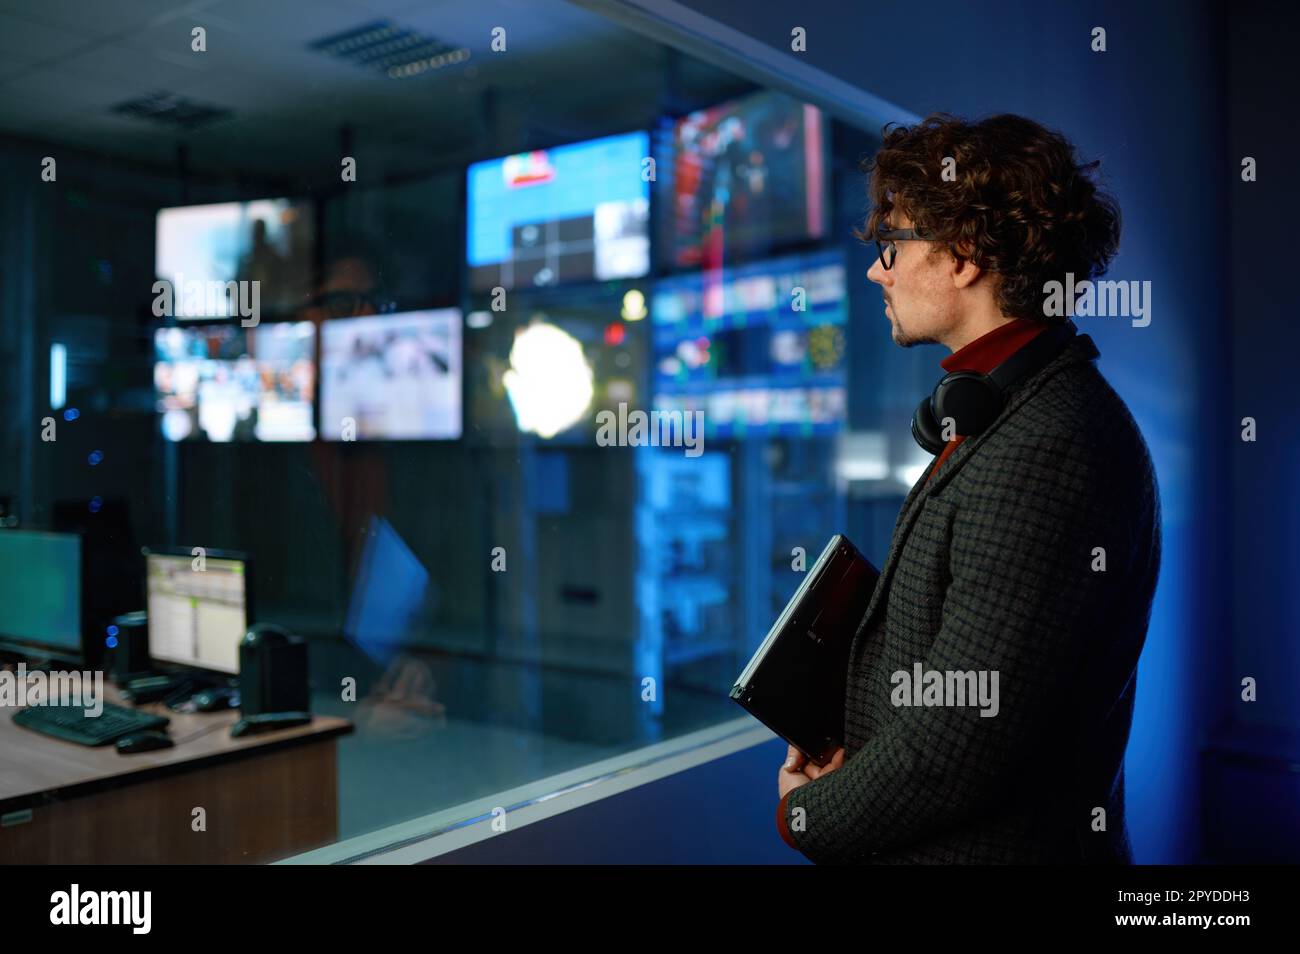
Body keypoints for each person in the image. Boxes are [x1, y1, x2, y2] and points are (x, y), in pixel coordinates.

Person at [776, 113, 1161, 864]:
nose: (875, 270)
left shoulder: (1049, 447)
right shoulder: (1012, 410)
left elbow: (961, 740)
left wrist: (807, 815)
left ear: (965, 257)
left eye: (892, 247)